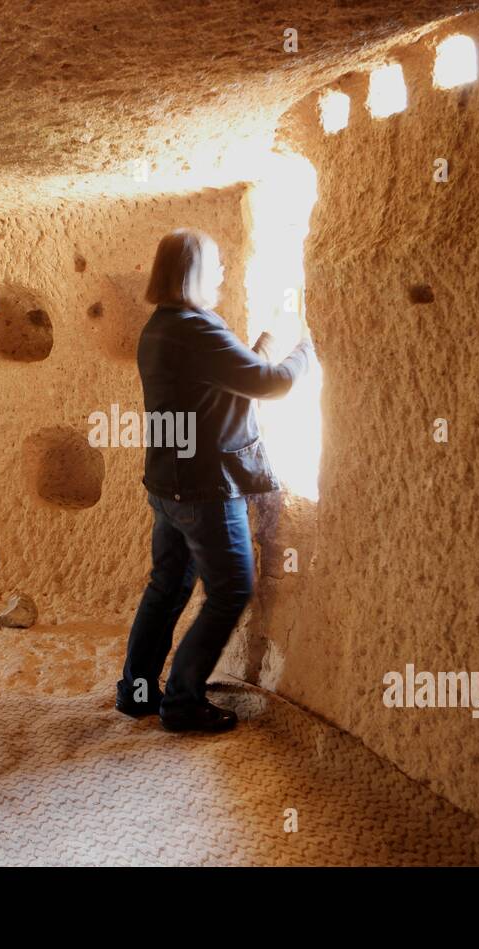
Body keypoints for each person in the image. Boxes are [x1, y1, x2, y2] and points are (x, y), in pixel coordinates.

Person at [115, 227, 314, 733]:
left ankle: (137, 692)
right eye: (216, 264)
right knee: (230, 588)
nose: (223, 271)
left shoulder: (163, 326)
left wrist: (272, 337)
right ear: (194, 272)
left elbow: (230, 376)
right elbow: (269, 384)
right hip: (204, 487)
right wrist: (310, 346)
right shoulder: (194, 328)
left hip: (167, 484)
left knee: (166, 587)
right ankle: (182, 702)